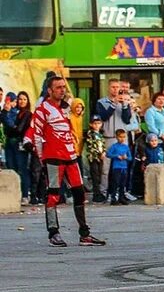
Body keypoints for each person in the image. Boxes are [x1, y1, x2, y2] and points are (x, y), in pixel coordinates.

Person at [27, 76, 106, 246]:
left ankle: (84, 234)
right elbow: (37, 135)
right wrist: (42, 159)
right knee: (53, 195)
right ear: (49, 90)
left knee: (79, 193)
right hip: (53, 158)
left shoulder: (65, 108)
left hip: (71, 157)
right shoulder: (42, 110)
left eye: (64, 87)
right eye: (58, 87)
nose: (62, 90)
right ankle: (53, 233)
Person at [96, 79, 132, 190]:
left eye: (117, 87)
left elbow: (127, 120)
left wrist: (125, 106)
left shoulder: (125, 102)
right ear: (108, 88)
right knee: (105, 168)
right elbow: (103, 116)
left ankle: (121, 190)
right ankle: (103, 190)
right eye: (113, 87)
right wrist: (113, 104)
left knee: (122, 166)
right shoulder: (101, 102)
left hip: (122, 138)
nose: (115, 89)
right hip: (108, 137)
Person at [3, 91, 34, 204]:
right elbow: (6, 125)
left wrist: (12, 128)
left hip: (20, 144)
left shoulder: (27, 114)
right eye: (20, 99)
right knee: (11, 168)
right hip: (10, 143)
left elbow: (19, 129)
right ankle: (15, 194)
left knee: (22, 169)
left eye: (24, 99)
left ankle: (25, 195)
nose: (22, 101)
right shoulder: (13, 112)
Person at [84, 115, 107, 203]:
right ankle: (96, 194)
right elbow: (91, 147)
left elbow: (103, 145)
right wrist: (98, 153)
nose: (97, 125)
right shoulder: (90, 134)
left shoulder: (100, 134)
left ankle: (99, 192)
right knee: (95, 175)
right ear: (91, 124)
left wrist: (104, 152)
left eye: (99, 123)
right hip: (93, 157)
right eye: (95, 123)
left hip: (101, 157)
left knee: (100, 174)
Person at [105, 128, 131, 206]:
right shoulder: (114, 146)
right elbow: (108, 154)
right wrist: (117, 156)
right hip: (116, 167)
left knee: (123, 183)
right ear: (116, 137)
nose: (122, 139)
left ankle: (121, 197)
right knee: (116, 183)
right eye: (120, 137)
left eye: (123, 137)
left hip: (124, 167)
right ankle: (114, 198)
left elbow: (130, 158)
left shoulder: (126, 147)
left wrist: (126, 157)